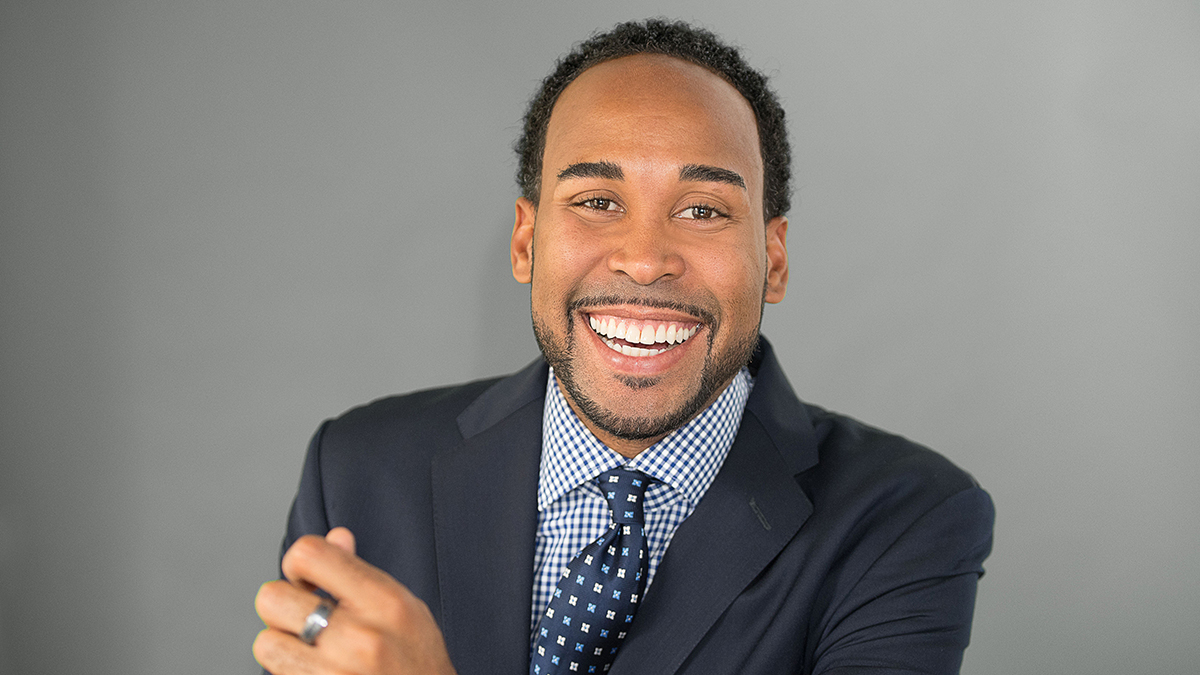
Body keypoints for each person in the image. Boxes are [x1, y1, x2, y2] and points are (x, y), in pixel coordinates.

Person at [253, 19, 994, 675]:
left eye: (702, 210)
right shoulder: (355, 471)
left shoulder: (906, 519)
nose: (644, 260)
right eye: (597, 202)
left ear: (774, 259)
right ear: (525, 241)